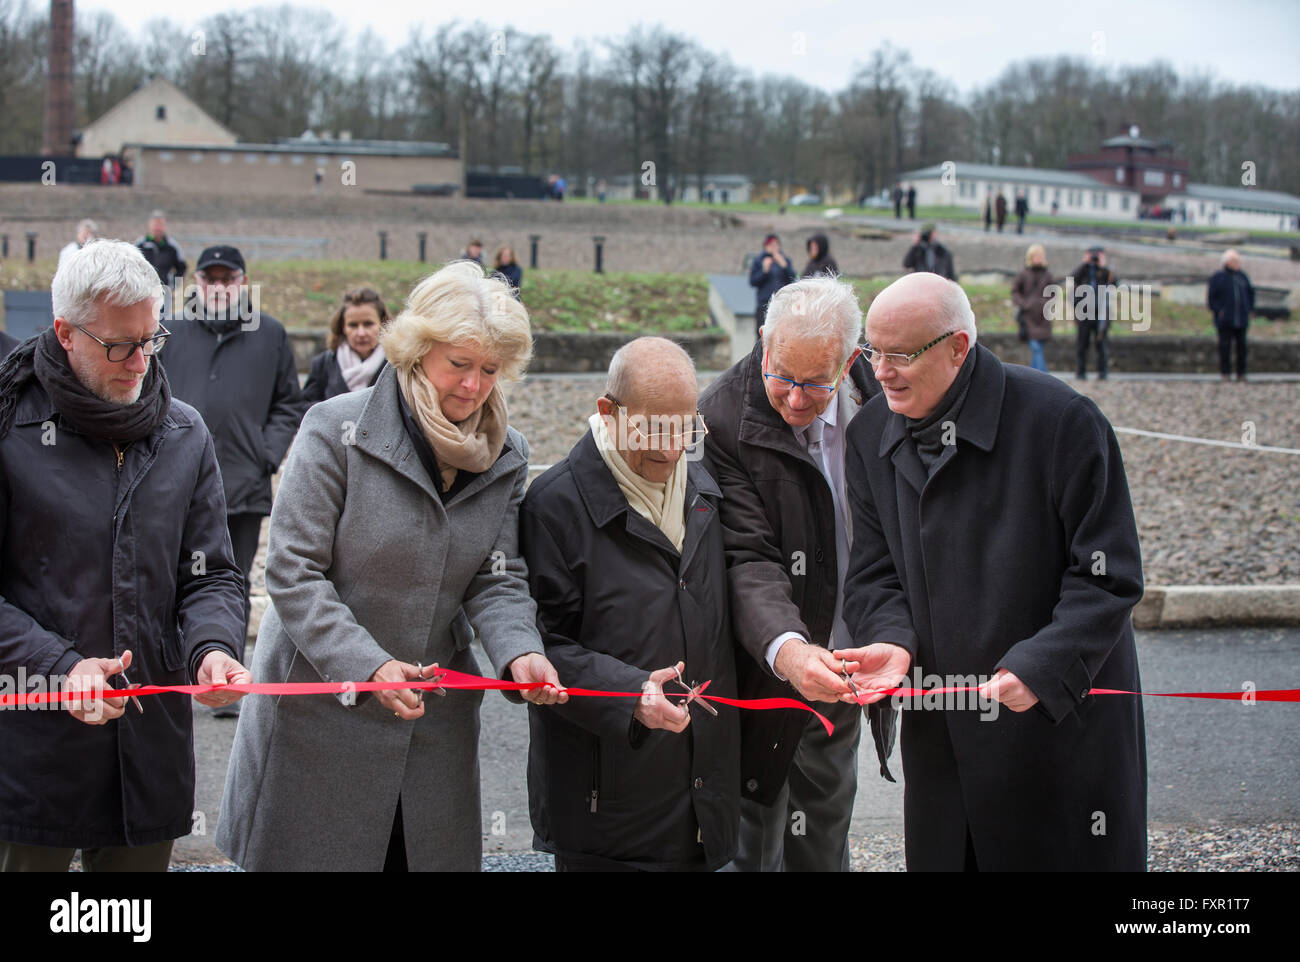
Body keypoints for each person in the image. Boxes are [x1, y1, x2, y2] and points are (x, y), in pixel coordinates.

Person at [216, 261, 567, 871]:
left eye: (490, 369)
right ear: (415, 350)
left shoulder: (509, 454)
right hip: (319, 713)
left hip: (431, 730)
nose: (474, 386)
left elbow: (496, 575)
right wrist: (369, 664)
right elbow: (293, 572)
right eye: (459, 364)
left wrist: (519, 651)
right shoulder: (332, 429)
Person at [838, 271, 1147, 871]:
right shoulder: (870, 432)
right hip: (944, 738)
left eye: (902, 354)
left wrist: (1041, 664)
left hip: (1055, 730)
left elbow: (1108, 575)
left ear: (959, 346)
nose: (881, 371)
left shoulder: (1062, 421)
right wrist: (893, 642)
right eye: (874, 352)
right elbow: (874, 575)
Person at [0, 240, 250, 872]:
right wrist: (61, 667)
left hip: (149, 749)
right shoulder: (8, 429)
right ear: (65, 332)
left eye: (151, 339)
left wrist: (214, 647)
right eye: (120, 345)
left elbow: (211, 573)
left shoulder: (185, 434)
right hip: (32, 749)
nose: (140, 361)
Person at [699, 275, 898, 872]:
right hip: (760, 667)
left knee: (823, 829)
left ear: (851, 359)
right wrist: (788, 649)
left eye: (815, 382)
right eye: (780, 373)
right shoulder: (722, 417)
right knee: (751, 833)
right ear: (763, 339)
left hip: (845, 660)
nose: (793, 398)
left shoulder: (885, 394)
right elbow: (746, 557)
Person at [521, 337, 740, 871]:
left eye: (684, 429)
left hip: (702, 801)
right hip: (606, 807)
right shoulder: (554, 506)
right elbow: (538, 648)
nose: (670, 450)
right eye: (652, 429)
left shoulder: (704, 490)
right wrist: (629, 694)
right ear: (607, 412)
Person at [160, 245, 305, 673]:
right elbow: (149, 394)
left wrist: (266, 454)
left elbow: (288, 404)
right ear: (197, 283)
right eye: (210, 278)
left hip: (242, 482)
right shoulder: (169, 331)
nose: (219, 286)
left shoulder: (271, 333)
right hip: (173, 481)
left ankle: (225, 674)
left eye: (228, 278)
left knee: (232, 581)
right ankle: (172, 671)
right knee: (167, 579)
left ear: (242, 282)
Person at [302, 287, 390, 406]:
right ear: (342, 327)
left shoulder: (395, 365)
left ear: (383, 323)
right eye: (353, 325)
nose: (361, 333)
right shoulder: (323, 364)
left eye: (368, 324)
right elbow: (305, 408)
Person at [1206, 249, 1254, 382]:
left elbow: (1250, 293)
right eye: (1235, 261)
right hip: (1225, 320)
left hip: (1241, 319)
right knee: (1224, 347)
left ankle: (1241, 373)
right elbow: (1211, 299)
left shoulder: (1242, 277)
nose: (1238, 263)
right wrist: (1219, 311)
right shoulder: (1218, 277)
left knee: (1242, 348)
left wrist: (1249, 309)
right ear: (1227, 262)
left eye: (1238, 261)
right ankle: (1225, 373)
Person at [1072, 245, 1118, 380]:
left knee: (1101, 344)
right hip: (1084, 313)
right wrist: (1084, 264)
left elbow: (1115, 283)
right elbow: (1072, 278)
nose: (1094, 258)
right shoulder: (1084, 270)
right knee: (1082, 344)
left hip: (1101, 314)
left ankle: (1103, 372)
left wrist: (1104, 266)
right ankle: (1081, 372)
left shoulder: (1106, 272)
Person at [1011, 243, 1056, 372]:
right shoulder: (1023, 274)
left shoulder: (1047, 275)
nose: (1039, 258)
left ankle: (1034, 374)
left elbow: (1053, 293)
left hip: (1043, 317)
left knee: (1038, 348)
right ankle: (1043, 375)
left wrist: (1045, 304)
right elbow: (1015, 292)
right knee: (1035, 347)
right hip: (1028, 317)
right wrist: (1025, 304)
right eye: (1037, 256)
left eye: (1041, 256)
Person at [748, 234, 797, 335]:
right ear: (765, 246)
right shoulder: (759, 261)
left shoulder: (784, 260)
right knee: (762, 334)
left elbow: (793, 280)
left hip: (782, 303)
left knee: (780, 334)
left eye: (775, 245)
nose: (773, 247)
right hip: (763, 304)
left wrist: (784, 266)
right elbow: (753, 281)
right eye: (770, 245)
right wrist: (764, 271)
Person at [134, 211, 186, 292]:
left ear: (165, 226)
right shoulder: (139, 245)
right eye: (155, 225)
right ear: (149, 226)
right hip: (143, 293)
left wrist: (174, 286)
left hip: (165, 292)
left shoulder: (172, 247)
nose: (158, 228)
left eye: (160, 225)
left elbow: (182, 268)